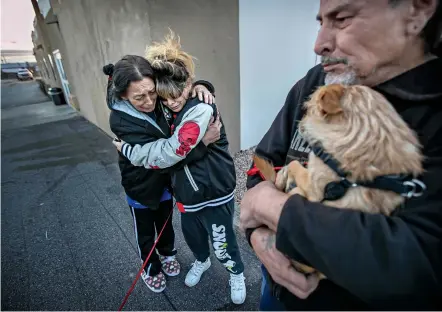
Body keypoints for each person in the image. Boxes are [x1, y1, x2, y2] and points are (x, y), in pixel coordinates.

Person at [240, 0, 442, 310]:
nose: (319, 43)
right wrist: (258, 238)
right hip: (277, 292)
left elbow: (421, 262)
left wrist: (275, 209)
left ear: (417, 11)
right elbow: (262, 165)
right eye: (321, 21)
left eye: (342, 19)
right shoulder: (317, 82)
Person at [113, 32, 247, 305]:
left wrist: (127, 151)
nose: (171, 101)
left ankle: (237, 273)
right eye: (165, 97)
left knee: (222, 241)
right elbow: (171, 146)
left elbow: (171, 152)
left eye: (178, 93)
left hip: (213, 191)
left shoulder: (200, 108)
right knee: (194, 238)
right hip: (185, 195)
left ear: (189, 84)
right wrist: (200, 85)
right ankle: (201, 261)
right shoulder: (159, 107)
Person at [104, 55, 220, 293]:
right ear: (123, 95)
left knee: (166, 226)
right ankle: (151, 267)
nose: (149, 101)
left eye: (152, 92)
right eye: (139, 97)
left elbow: (178, 85)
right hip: (142, 184)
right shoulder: (120, 121)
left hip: (167, 182)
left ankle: (168, 254)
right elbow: (163, 157)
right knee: (146, 232)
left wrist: (201, 86)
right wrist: (202, 144)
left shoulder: (159, 98)